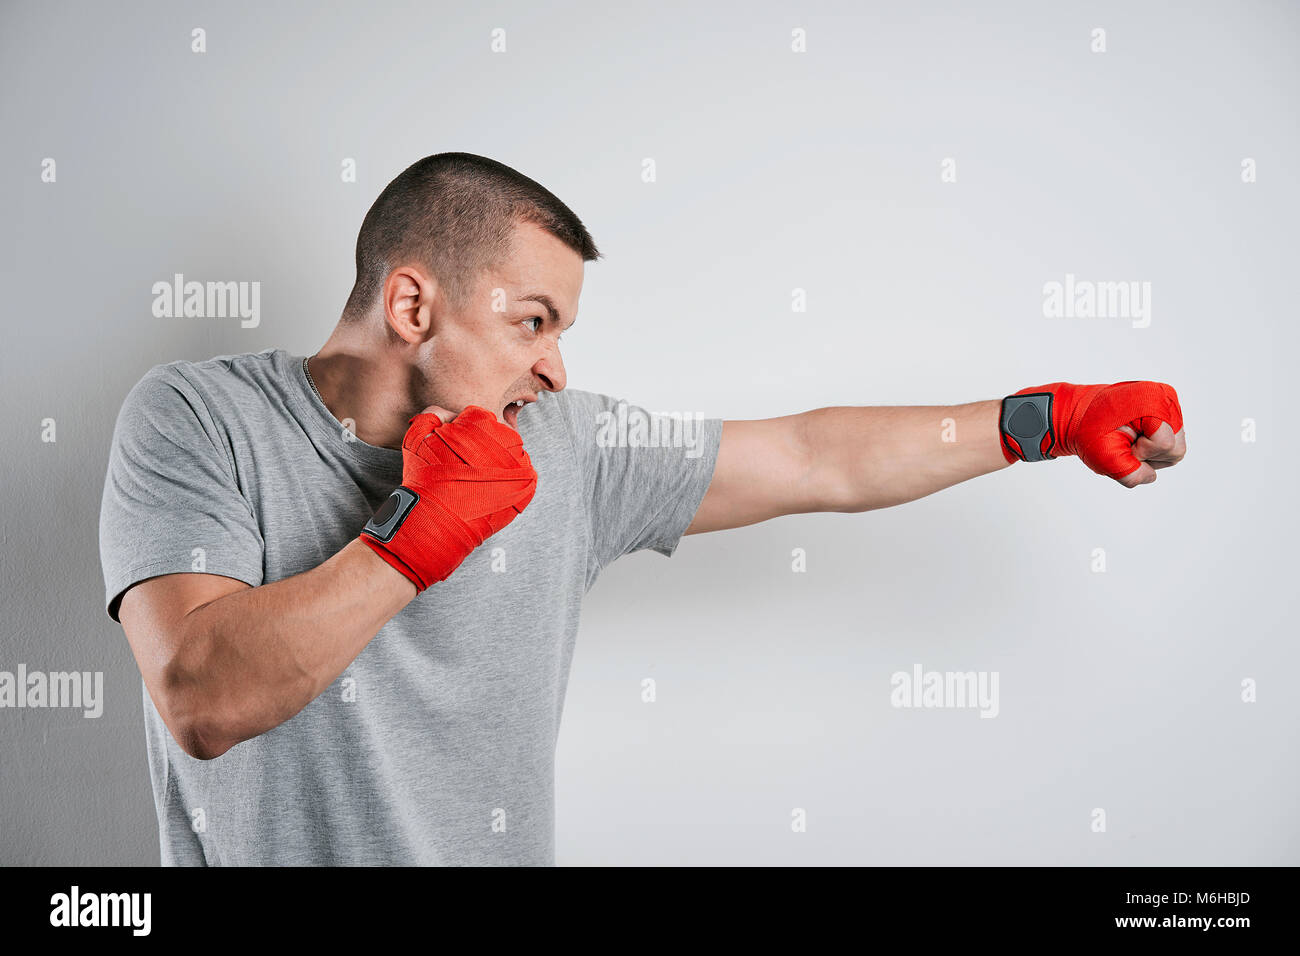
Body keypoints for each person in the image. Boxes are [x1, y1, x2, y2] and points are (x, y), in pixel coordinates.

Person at [98, 151, 1187, 866]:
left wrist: (1041, 417)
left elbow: (813, 456)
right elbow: (204, 696)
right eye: (534, 321)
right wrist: (410, 541)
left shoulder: (564, 448)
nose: (557, 369)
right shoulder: (199, 417)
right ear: (413, 303)